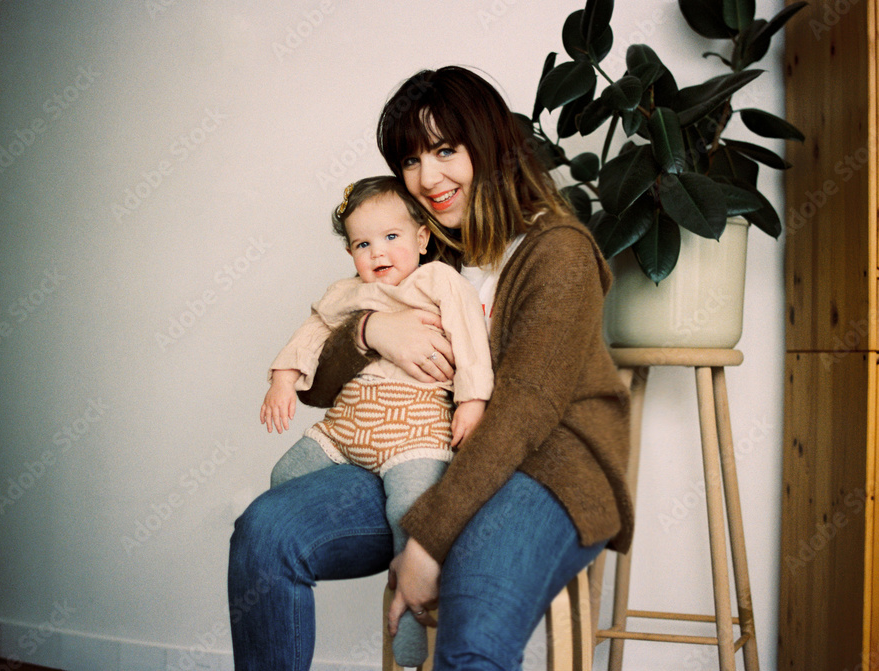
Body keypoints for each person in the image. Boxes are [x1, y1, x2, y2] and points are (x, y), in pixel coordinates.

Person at [228, 66, 633, 670]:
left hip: (544, 469)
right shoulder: (425, 247)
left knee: (472, 636)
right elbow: (320, 389)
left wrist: (427, 541)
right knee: (267, 532)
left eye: (446, 150)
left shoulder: (559, 252)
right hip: (424, 451)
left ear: (491, 144)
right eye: (411, 160)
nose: (427, 178)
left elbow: (522, 415)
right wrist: (370, 331)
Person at [260, 175, 494, 666]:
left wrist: (472, 400)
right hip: (347, 428)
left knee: (411, 511)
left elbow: (471, 338)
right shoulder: (348, 293)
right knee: (282, 479)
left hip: (414, 432)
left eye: (391, 237)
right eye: (363, 244)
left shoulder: (438, 282)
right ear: (351, 254)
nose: (378, 252)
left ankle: (407, 623)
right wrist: (283, 378)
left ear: (422, 238)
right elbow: (313, 332)